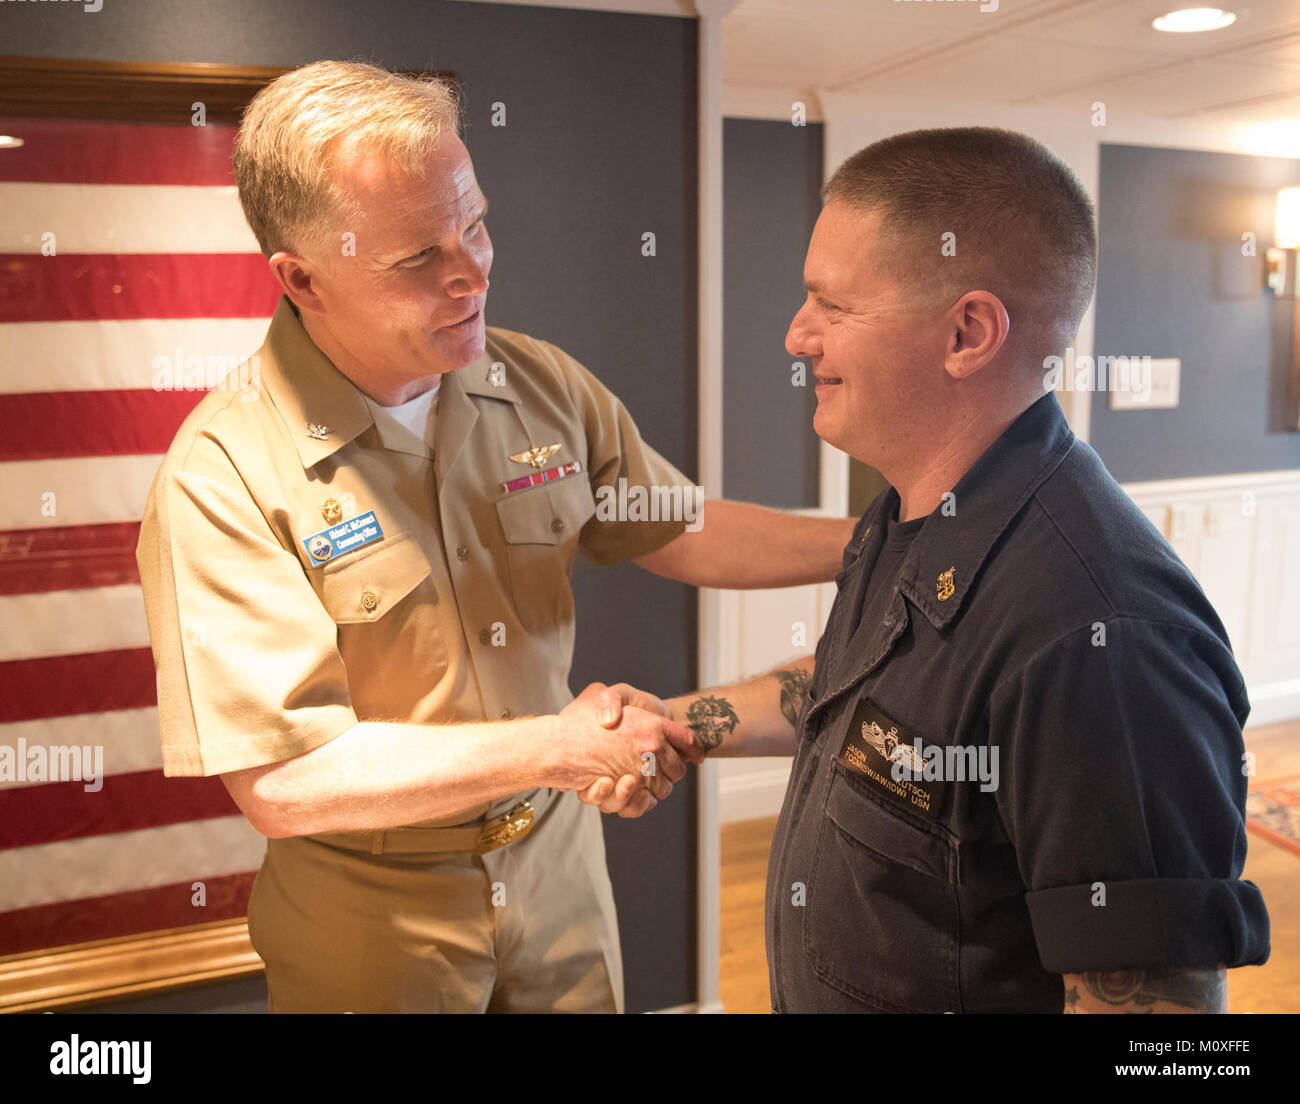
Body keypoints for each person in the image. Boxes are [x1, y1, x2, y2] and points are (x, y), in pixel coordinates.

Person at [134, 59, 856, 1014]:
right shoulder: (219, 473)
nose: (471, 270)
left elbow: (679, 530)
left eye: (473, 222)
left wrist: (888, 537)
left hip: (558, 867)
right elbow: (288, 779)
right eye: (415, 258)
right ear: (302, 278)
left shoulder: (540, 384)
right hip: (374, 911)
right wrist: (556, 748)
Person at [597, 126, 1270, 1012]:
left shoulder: (1100, 634)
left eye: (832, 307)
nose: (798, 337)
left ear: (968, 332)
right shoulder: (909, 514)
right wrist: (680, 723)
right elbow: (869, 699)